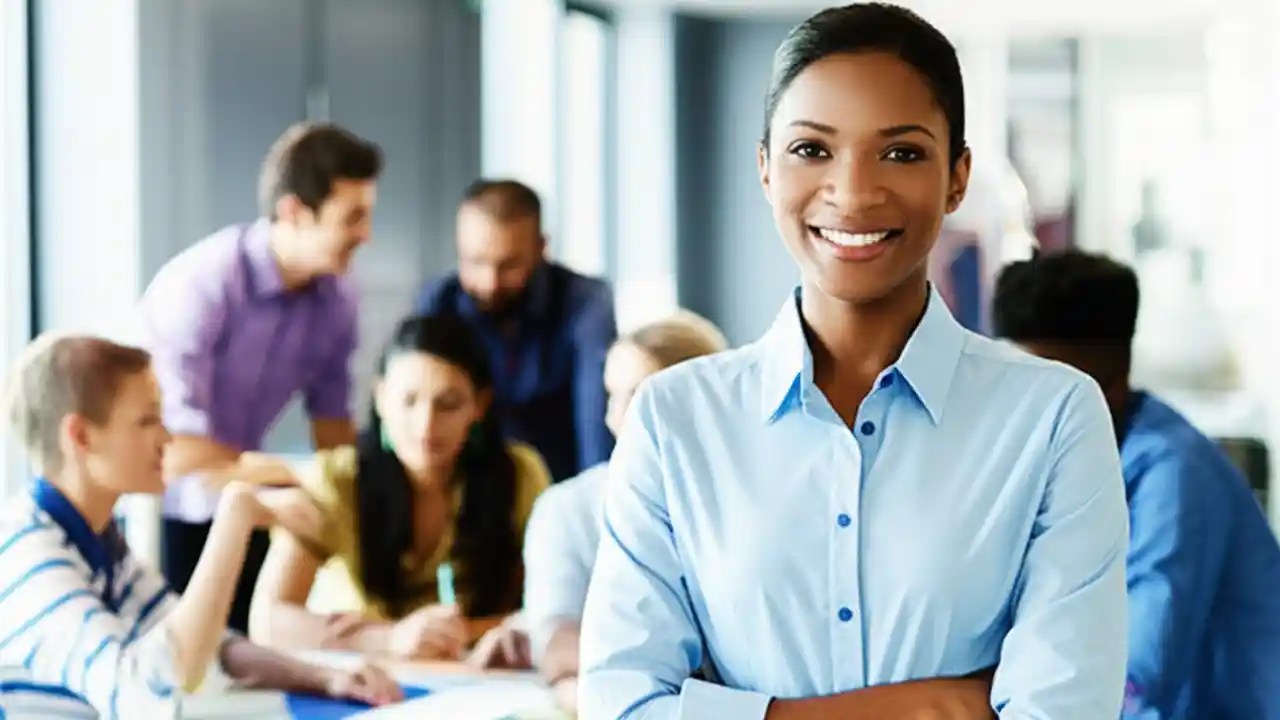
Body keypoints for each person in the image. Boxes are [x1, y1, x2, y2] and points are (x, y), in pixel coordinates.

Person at [577, 4, 1130, 719]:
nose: (854, 191)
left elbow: (1064, 711)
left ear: (958, 177)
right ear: (766, 169)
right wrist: (925, 706)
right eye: (812, 149)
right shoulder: (674, 418)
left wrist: (728, 707)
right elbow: (621, 706)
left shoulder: (1053, 417)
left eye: (901, 152)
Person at [0, 334, 401, 718]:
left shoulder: (96, 540)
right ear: (80, 435)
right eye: (146, 420)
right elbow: (138, 692)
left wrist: (323, 677)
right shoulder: (30, 555)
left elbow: (208, 645)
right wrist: (235, 516)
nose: (167, 437)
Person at [993, 249, 1280, 720]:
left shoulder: (1175, 474)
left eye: (1040, 395)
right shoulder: (1058, 467)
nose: (1018, 414)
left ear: (1112, 386)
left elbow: (1135, 682)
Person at [136, 122, 382, 634]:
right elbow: (177, 450)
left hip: (258, 500)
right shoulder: (200, 286)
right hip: (188, 507)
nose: (366, 235)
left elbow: (333, 427)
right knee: (199, 669)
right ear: (294, 211)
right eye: (352, 217)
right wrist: (290, 477)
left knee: (265, 655)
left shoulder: (338, 299)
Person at [248, 314, 551, 661]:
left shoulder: (520, 473)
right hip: (359, 681)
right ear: (380, 398)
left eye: (448, 404)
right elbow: (269, 621)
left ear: (479, 405)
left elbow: (556, 605)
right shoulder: (336, 479)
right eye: (409, 401)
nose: (426, 426)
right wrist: (388, 640)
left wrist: (465, 633)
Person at [469, 312, 728, 709]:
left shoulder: (747, 505)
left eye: (641, 395)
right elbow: (557, 638)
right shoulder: (568, 508)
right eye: (613, 395)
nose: (616, 416)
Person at [414, 179, 616, 482]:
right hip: (466, 495)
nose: (490, 283)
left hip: (559, 487)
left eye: (508, 265)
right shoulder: (439, 300)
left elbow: (596, 423)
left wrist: (592, 505)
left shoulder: (585, 303)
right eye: (476, 262)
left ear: (540, 249)